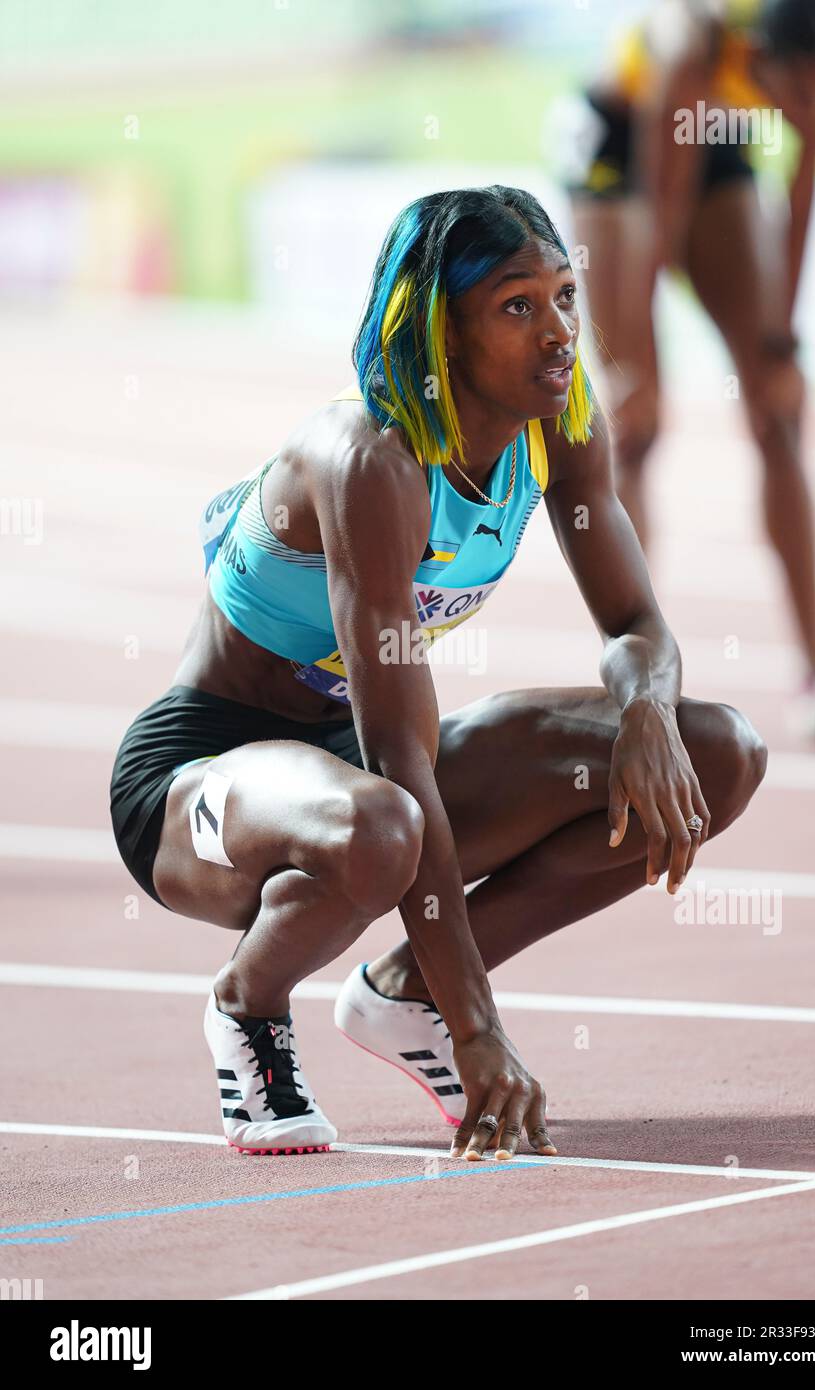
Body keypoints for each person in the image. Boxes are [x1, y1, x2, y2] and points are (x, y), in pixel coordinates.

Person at [109, 185, 767, 1160]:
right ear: (441, 333)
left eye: (562, 297)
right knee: (383, 826)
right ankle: (247, 1004)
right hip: (203, 780)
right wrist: (481, 1029)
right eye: (516, 306)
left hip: (363, 768)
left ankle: (403, 996)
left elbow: (635, 624)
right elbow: (397, 764)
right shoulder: (369, 460)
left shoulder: (562, 418)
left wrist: (643, 710)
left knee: (714, 752)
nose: (556, 334)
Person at [546, 0, 815, 744]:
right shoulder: (692, 46)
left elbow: (805, 177)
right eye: (799, 95)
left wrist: (781, 346)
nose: (812, 110)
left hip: (717, 144)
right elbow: (662, 216)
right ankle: (630, 682)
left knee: (780, 413)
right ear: (762, 60)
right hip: (620, 152)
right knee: (639, 429)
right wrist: (635, 367)